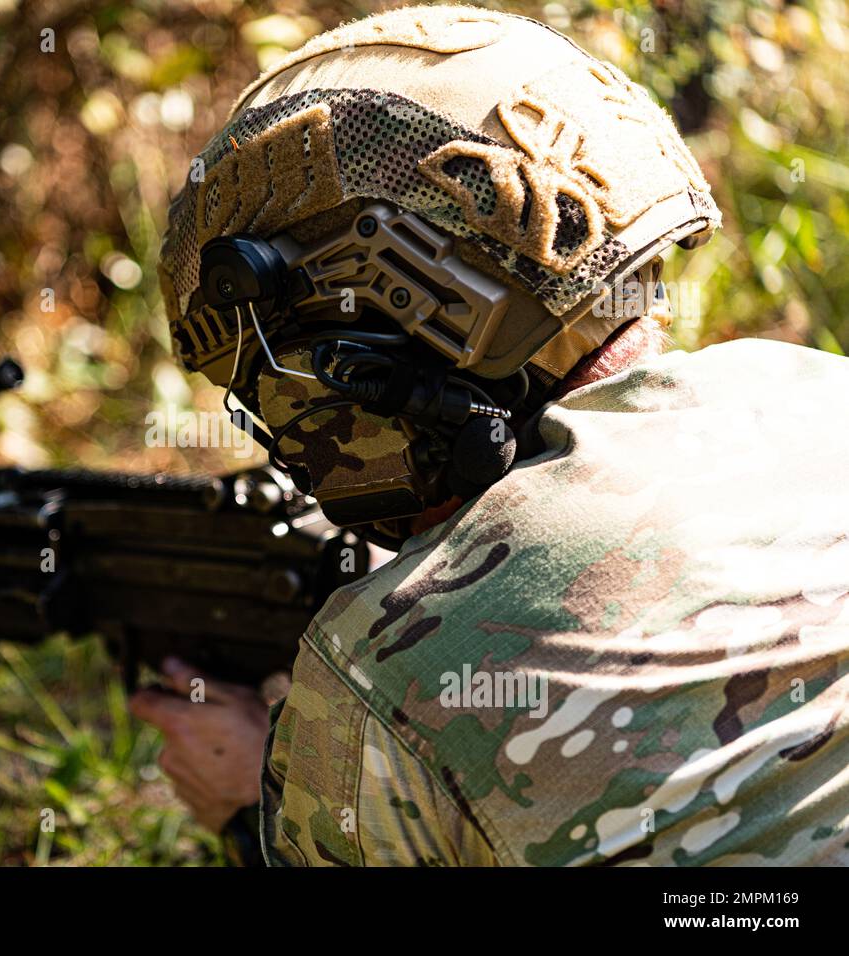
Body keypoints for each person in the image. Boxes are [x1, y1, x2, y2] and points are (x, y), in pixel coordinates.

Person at [130, 5, 849, 866]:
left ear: (369, 351)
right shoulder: (812, 385)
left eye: (270, 379)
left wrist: (248, 804)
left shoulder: (380, 672)